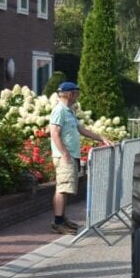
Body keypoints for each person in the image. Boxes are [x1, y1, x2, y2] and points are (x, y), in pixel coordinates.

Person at [49, 82, 112, 235]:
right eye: (76, 93)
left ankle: (62, 218)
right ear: (69, 94)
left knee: (66, 188)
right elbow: (54, 132)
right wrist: (64, 153)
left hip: (71, 155)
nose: (78, 96)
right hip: (65, 156)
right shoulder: (60, 110)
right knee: (62, 188)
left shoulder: (69, 110)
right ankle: (58, 222)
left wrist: (101, 138)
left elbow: (80, 129)